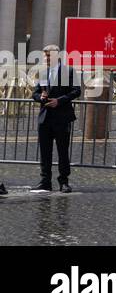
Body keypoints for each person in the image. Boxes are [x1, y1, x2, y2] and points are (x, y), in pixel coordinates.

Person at [32, 45, 80, 193]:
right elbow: (35, 93)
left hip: (62, 117)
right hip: (45, 118)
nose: (46, 59)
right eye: (45, 56)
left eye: (49, 56)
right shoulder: (42, 72)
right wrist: (40, 97)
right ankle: (45, 181)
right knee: (45, 152)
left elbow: (76, 91)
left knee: (62, 151)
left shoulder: (68, 71)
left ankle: (63, 181)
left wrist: (58, 101)